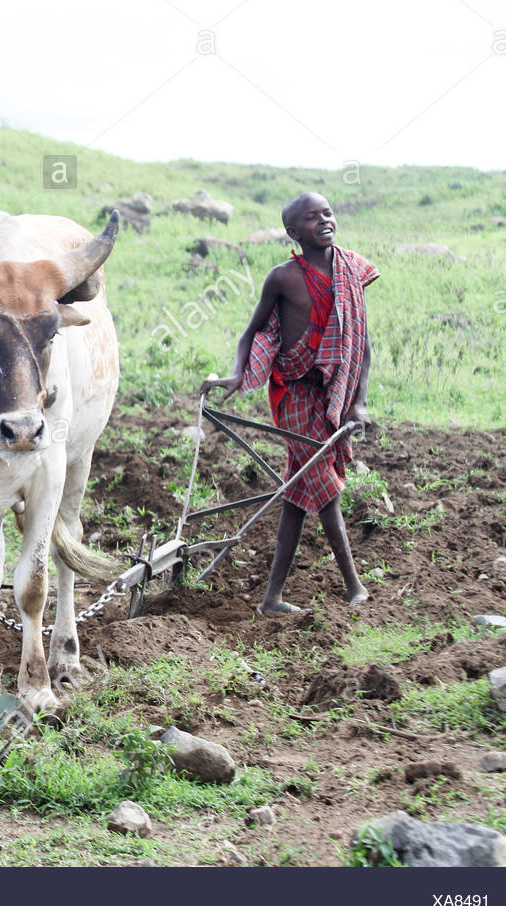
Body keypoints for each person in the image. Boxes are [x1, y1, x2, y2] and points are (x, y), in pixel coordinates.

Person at [200, 191, 379, 614]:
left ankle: (271, 598)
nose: (325, 221)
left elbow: (362, 342)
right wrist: (238, 372)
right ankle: (354, 586)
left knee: (299, 495)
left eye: (329, 213)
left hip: (331, 393)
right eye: (313, 217)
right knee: (326, 489)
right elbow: (250, 333)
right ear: (293, 232)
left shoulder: (351, 271)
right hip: (293, 393)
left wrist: (359, 402)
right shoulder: (283, 278)